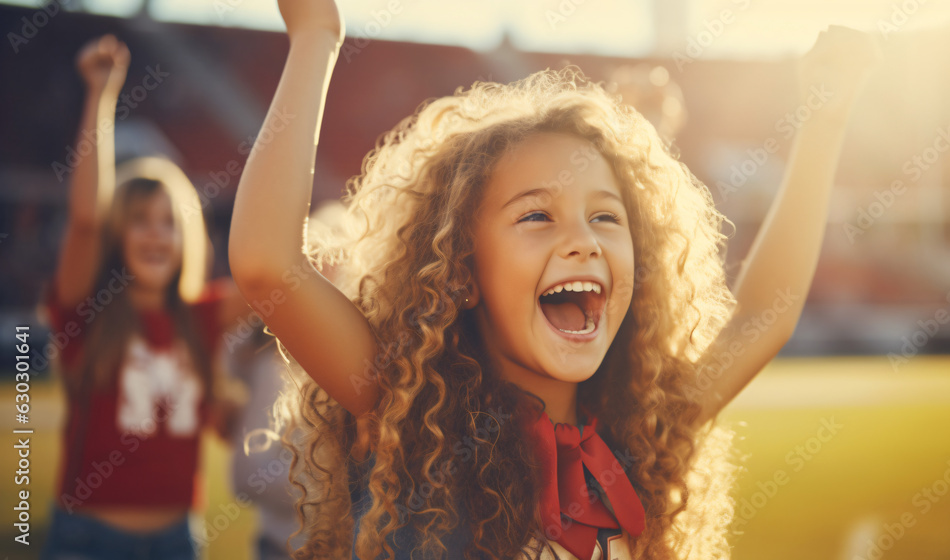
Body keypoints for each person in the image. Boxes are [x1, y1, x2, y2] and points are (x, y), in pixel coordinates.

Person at [228, 1, 881, 558]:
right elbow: (267, 265)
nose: (582, 240)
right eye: (536, 215)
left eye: (605, 216)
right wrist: (317, 37)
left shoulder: (634, 438)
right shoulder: (405, 413)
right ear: (460, 271)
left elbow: (763, 315)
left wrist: (822, 121)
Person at [40, 34, 249, 560]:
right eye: (139, 222)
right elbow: (86, 219)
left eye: (169, 223)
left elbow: (274, 275)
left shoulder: (202, 316)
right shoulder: (86, 310)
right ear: (117, 235)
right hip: (87, 539)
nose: (156, 235)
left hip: (178, 540)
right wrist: (101, 94)